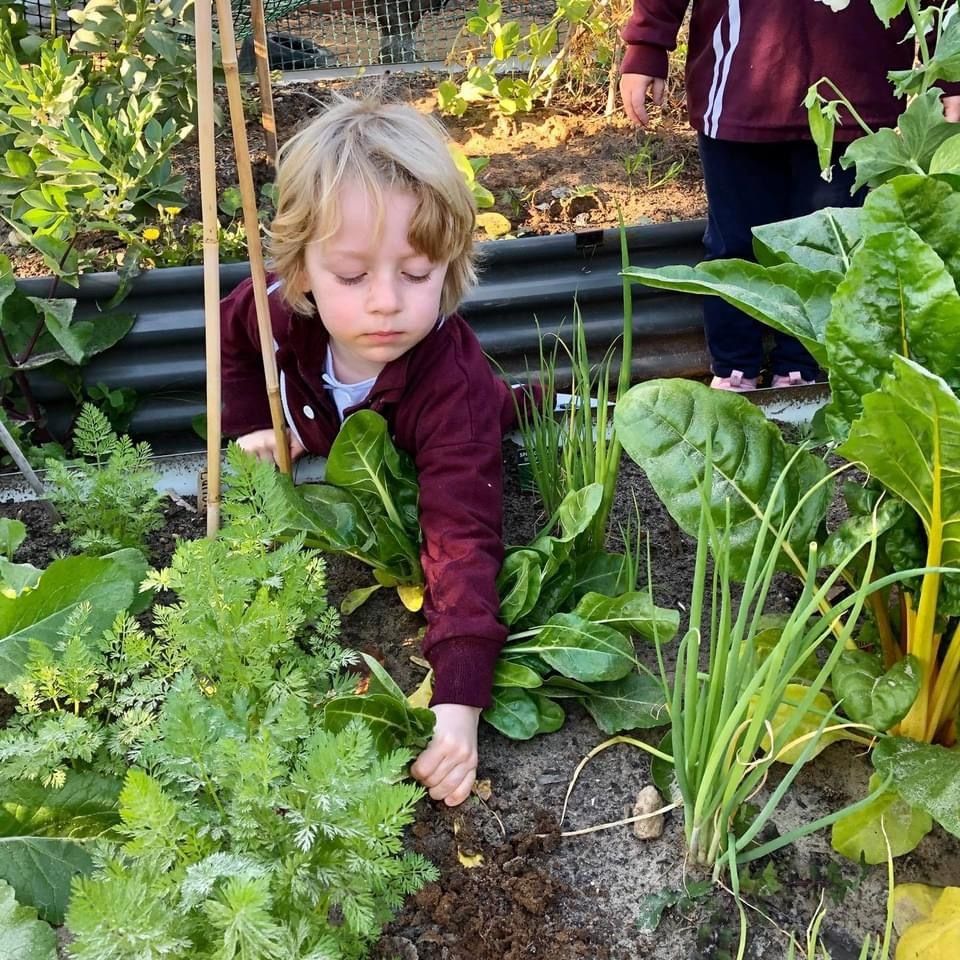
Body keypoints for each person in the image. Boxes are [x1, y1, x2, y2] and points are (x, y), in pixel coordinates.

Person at [221, 96, 519, 807]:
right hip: (331, 426)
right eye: (352, 277)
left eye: (417, 276)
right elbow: (230, 347)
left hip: (459, 419)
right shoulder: (273, 310)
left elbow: (462, 540)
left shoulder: (450, 386)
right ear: (303, 275)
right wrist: (250, 424)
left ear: (449, 270)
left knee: (502, 412)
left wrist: (458, 707)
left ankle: (544, 401)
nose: (385, 302)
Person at [619, 0, 960, 391]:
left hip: (856, 89)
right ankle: (734, 367)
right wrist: (647, 46)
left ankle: (802, 366)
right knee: (735, 243)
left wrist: (950, 71)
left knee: (830, 248)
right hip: (740, 86)